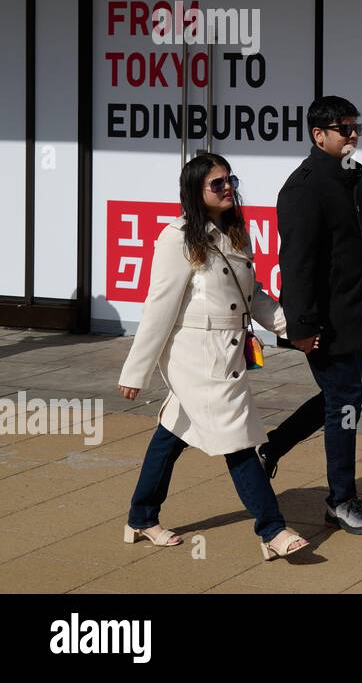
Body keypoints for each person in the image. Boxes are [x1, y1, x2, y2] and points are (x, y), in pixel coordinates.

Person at [117, 152, 314, 560]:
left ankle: (140, 516)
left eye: (230, 180)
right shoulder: (178, 237)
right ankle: (272, 530)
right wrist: (135, 372)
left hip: (228, 352)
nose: (228, 189)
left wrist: (289, 329)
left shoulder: (236, 231)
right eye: (217, 184)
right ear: (195, 191)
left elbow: (251, 296)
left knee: (171, 434)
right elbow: (159, 306)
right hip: (194, 354)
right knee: (238, 440)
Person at [258, 96, 362, 535]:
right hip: (326, 321)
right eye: (343, 128)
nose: (352, 135)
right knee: (345, 400)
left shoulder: (350, 176)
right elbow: (297, 263)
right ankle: (341, 500)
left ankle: (269, 449)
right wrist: (302, 326)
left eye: (355, 127)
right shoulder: (304, 187)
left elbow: (354, 240)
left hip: (353, 310)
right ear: (318, 134)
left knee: (341, 397)